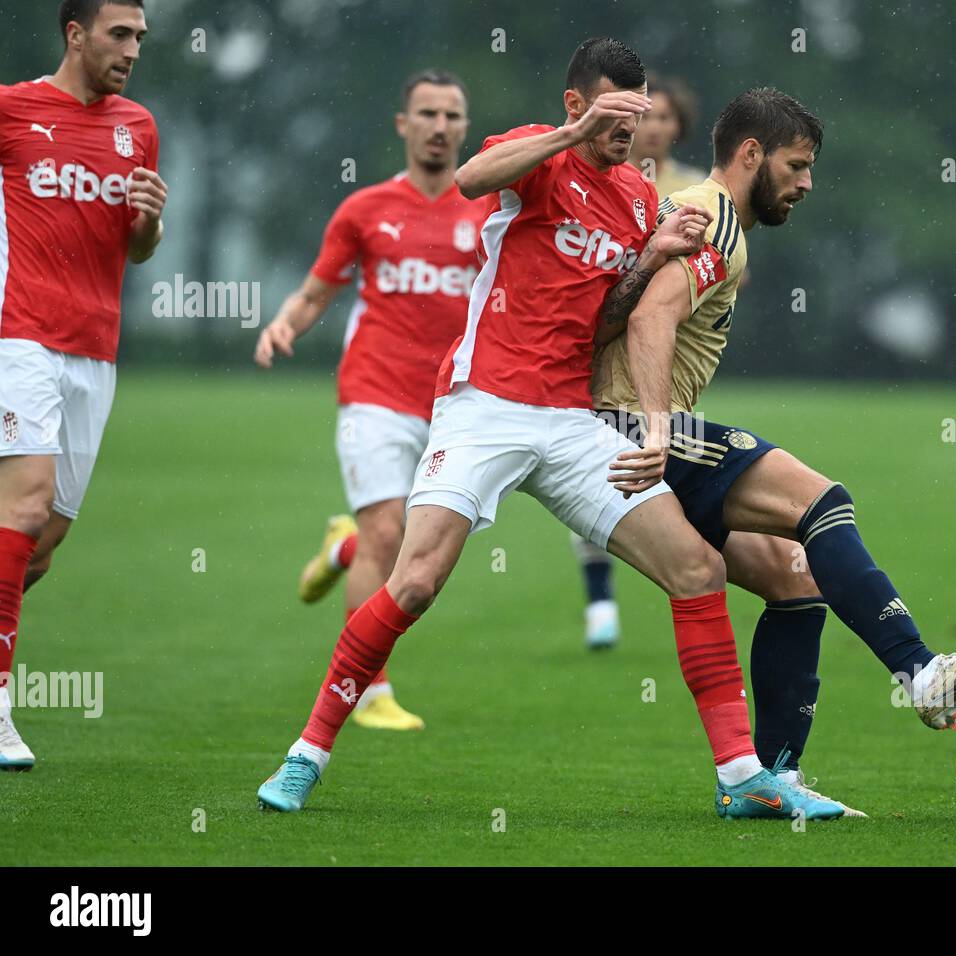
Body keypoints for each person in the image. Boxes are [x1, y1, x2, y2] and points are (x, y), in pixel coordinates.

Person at [255, 39, 846, 821]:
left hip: (574, 422)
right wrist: (571, 138)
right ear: (576, 105)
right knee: (417, 577)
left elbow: (615, 317)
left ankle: (742, 776)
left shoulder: (641, 197)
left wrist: (651, 258)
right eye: (615, 114)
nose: (629, 131)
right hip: (485, 405)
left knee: (698, 568)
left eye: (638, 117)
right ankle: (306, 755)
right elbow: (468, 181)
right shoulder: (534, 154)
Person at [595, 89, 956, 811]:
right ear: (751, 155)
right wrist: (660, 429)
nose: (807, 183)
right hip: (626, 431)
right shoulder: (715, 219)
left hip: (621, 430)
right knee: (823, 503)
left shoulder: (700, 210)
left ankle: (771, 781)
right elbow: (651, 319)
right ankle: (921, 672)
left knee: (797, 577)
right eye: (797, 165)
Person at [254, 70, 488, 732]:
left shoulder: (487, 213)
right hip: (374, 394)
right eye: (427, 114)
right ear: (403, 125)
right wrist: (283, 325)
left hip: (452, 404)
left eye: (451, 115)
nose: (440, 126)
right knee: (389, 535)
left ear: (465, 128)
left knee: (417, 552)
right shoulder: (364, 210)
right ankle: (370, 691)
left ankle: (340, 549)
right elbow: (315, 291)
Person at [0, 0, 166, 770]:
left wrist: (150, 224)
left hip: (95, 351)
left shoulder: (139, 126)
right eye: (119, 34)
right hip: (20, 335)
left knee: (42, 544)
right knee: (26, 504)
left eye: (139, 37)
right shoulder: (13, 110)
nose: (132, 49)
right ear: (76, 34)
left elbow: (136, 254)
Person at [573, 72, 709, 651]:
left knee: (665, 465)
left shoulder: (693, 190)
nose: (652, 126)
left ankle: (688, 576)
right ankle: (601, 600)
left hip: (663, 356)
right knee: (593, 468)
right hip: (603, 349)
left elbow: (721, 267)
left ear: (678, 127)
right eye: (645, 115)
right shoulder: (608, 180)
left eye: (664, 118)